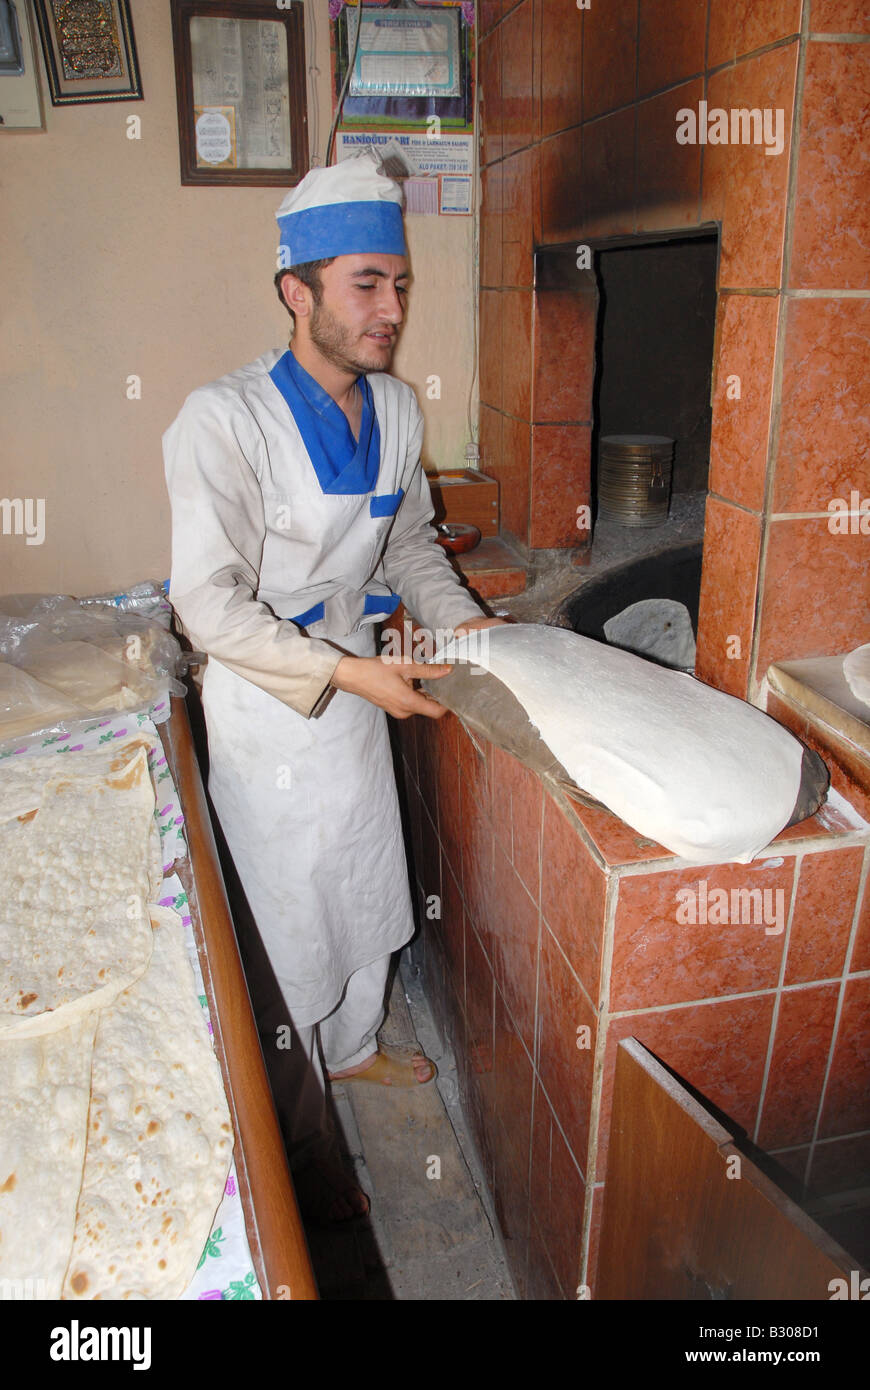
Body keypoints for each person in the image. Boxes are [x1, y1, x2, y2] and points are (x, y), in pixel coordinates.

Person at [163, 151, 504, 1224]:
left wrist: (466, 625)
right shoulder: (222, 421)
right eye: (365, 284)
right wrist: (350, 672)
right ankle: (302, 1140)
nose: (391, 308)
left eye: (399, 283)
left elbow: (410, 547)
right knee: (288, 926)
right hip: (270, 702)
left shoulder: (397, 410)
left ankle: (353, 1048)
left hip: (358, 691)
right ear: (295, 291)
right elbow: (206, 604)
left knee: (363, 886)